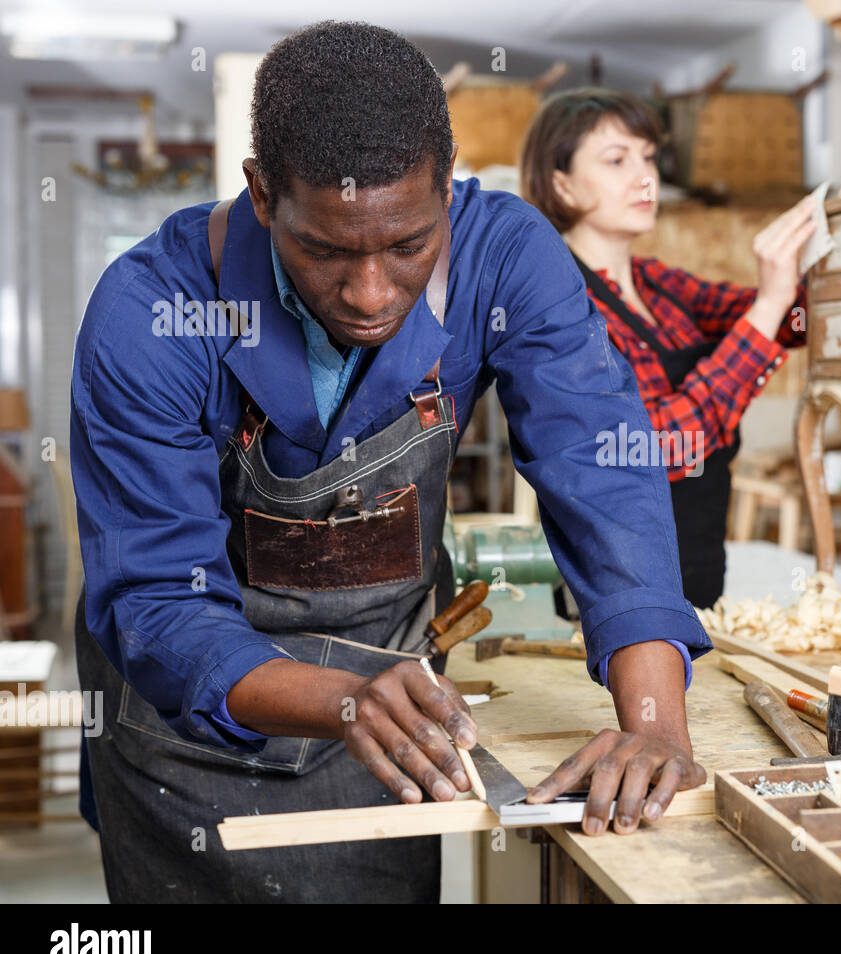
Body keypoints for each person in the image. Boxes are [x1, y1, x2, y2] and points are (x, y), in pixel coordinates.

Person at [71, 23, 711, 903]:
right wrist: (342, 697)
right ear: (262, 195)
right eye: (327, 250)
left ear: (447, 189)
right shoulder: (156, 310)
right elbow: (155, 599)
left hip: (388, 720)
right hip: (193, 743)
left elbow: (602, 469)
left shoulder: (505, 260)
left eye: (408, 243)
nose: (370, 293)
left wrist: (657, 725)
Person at [520, 89, 841, 608]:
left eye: (648, 157)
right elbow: (656, 447)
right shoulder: (558, 305)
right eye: (616, 160)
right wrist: (769, 305)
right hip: (614, 592)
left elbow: (798, 319)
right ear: (561, 183)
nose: (643, 175)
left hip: (696, 570)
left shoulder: (659, 286)